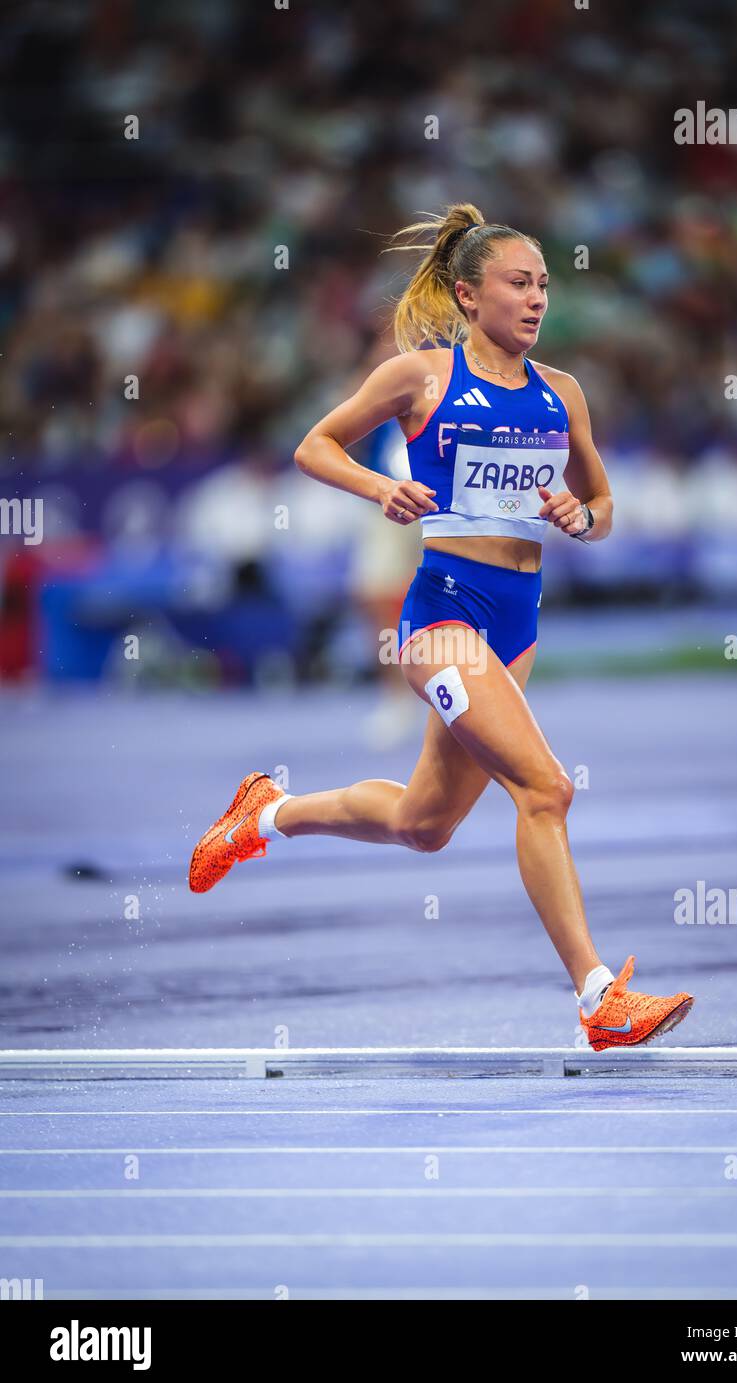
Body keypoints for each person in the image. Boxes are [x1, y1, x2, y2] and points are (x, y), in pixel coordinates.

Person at [188, 203, 693, 1051]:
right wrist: (378, 489)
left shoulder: (561, 393)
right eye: (518, 284)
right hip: (445, 616)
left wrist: (583, 515)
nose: (537, 300)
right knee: (546, 789)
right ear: (468, 294)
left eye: (543, 285)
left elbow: (604, 506)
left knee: (425, 823)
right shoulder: (420, 376)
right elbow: (316, 446)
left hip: (518, 622)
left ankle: (266, 813)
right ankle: (597, 999)